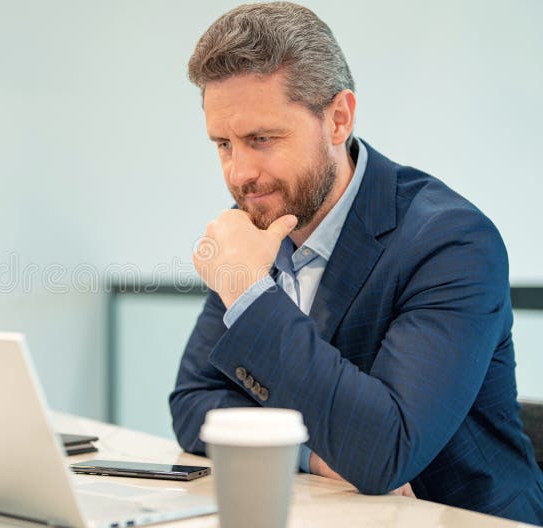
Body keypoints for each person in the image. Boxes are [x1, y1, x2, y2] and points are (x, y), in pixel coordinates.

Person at [168, 2, 543, 524]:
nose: (240, 174)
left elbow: (385, 450)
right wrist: (315, 456)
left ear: (338, 118)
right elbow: (193, 404)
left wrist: (250, 294)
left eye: (262, 139)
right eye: (223, 145)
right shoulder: (258, 222)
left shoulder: (451, 241)